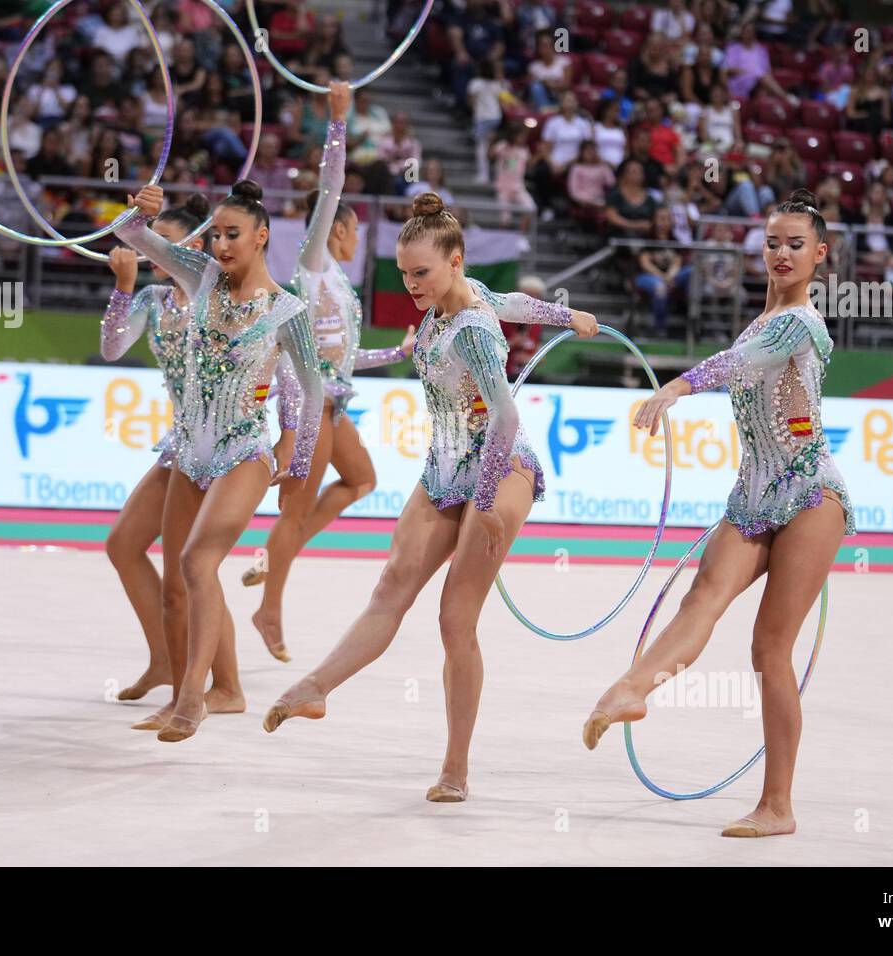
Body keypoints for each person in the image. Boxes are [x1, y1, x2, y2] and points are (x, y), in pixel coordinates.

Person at [262, 193, 598, 802]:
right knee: (391, 585)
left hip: (500, 468)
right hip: (446, 466)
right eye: (404, 273)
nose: (411, 284)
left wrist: (489, 497)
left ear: (456, 262)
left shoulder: (469, 328)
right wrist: (560, 314)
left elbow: (503, 419)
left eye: (422, 273)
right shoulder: (458, 302)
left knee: (453, 618)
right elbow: (514, 301)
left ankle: (455, 768)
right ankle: (314, 686)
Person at [583, 189, 855, 839]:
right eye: (772, 242)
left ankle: (778, 806)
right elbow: (746, 353)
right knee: (698, 600)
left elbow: (741, 364)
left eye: (795, 244)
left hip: (811, 493)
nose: (781, 253)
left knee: (769, 647)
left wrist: (677, 386)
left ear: (820, 254)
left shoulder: (803, 324)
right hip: (751, 495)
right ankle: (632, 688)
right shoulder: (759, 322)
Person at [114, 180, 324, 742]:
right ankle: (209, 690)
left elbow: (311, 392)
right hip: (188, 450)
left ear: (261, 237)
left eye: (233, 235)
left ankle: (191, 701)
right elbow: (131, 236)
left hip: (242, 451)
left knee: (197, 563)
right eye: (215, 236)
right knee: (179, 582)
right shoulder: (199, 277)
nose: (221, 245)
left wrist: (296, 464)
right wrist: (141, 210)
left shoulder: (287, 310)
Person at [243, 83, 416, 662]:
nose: (359, 238)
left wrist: (394, 355)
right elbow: (330, 189)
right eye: (355, 229)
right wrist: (337, 123)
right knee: (294, 511)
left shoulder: (339, 285)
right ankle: (270, 607)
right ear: (335, 230)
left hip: (331, 401)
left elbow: (338, 360)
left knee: (361, 480)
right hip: (306, 405)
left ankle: (275, 555)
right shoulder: (313, 269)